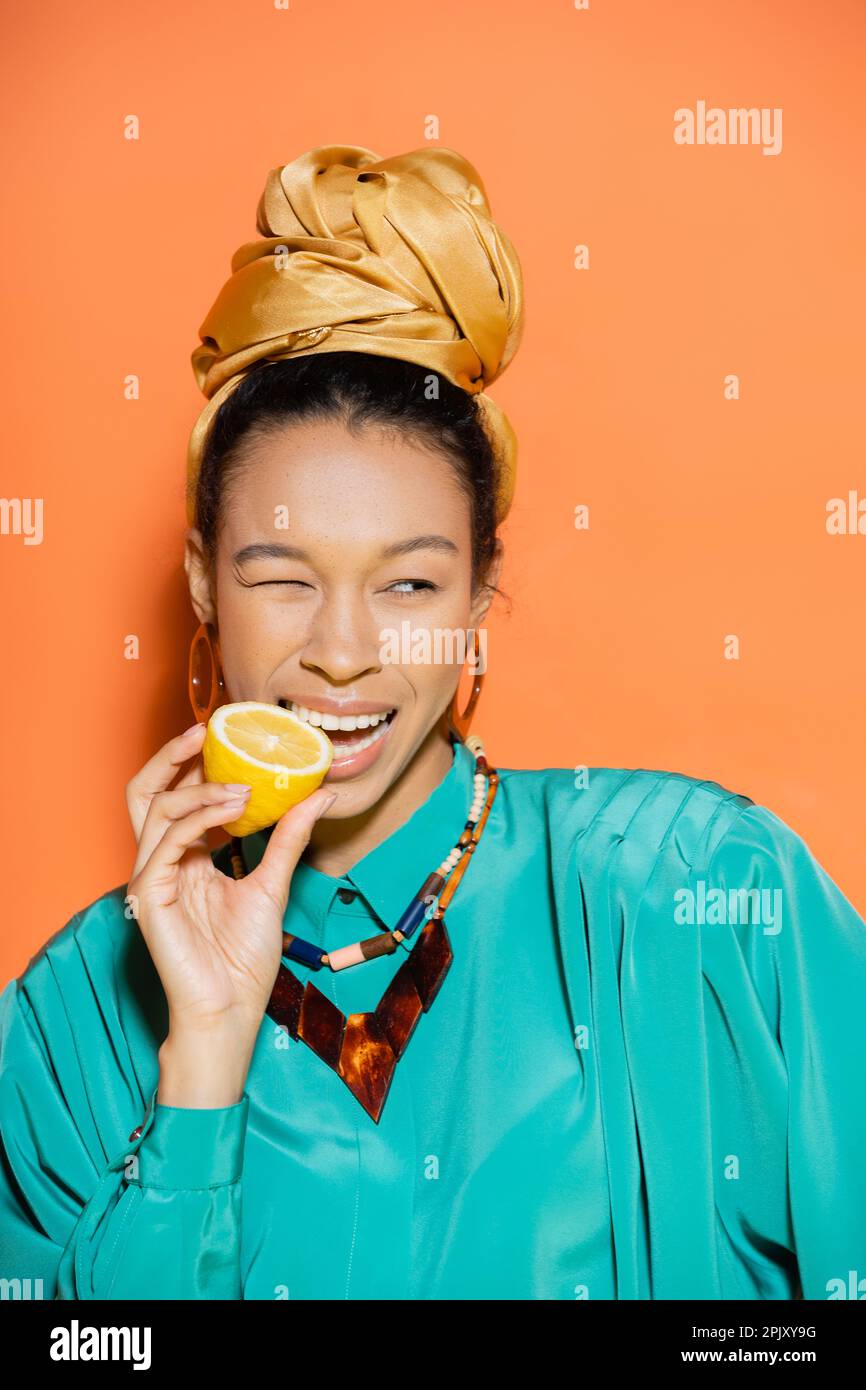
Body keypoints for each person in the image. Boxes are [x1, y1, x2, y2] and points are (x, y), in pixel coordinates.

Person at [1, 145, 864, 1302]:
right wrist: (200, 1067)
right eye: (281, 577)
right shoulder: (70, 1021)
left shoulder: (696, 894)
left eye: (408, 583)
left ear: (476, 594)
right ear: (204, 584)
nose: (346, 651)